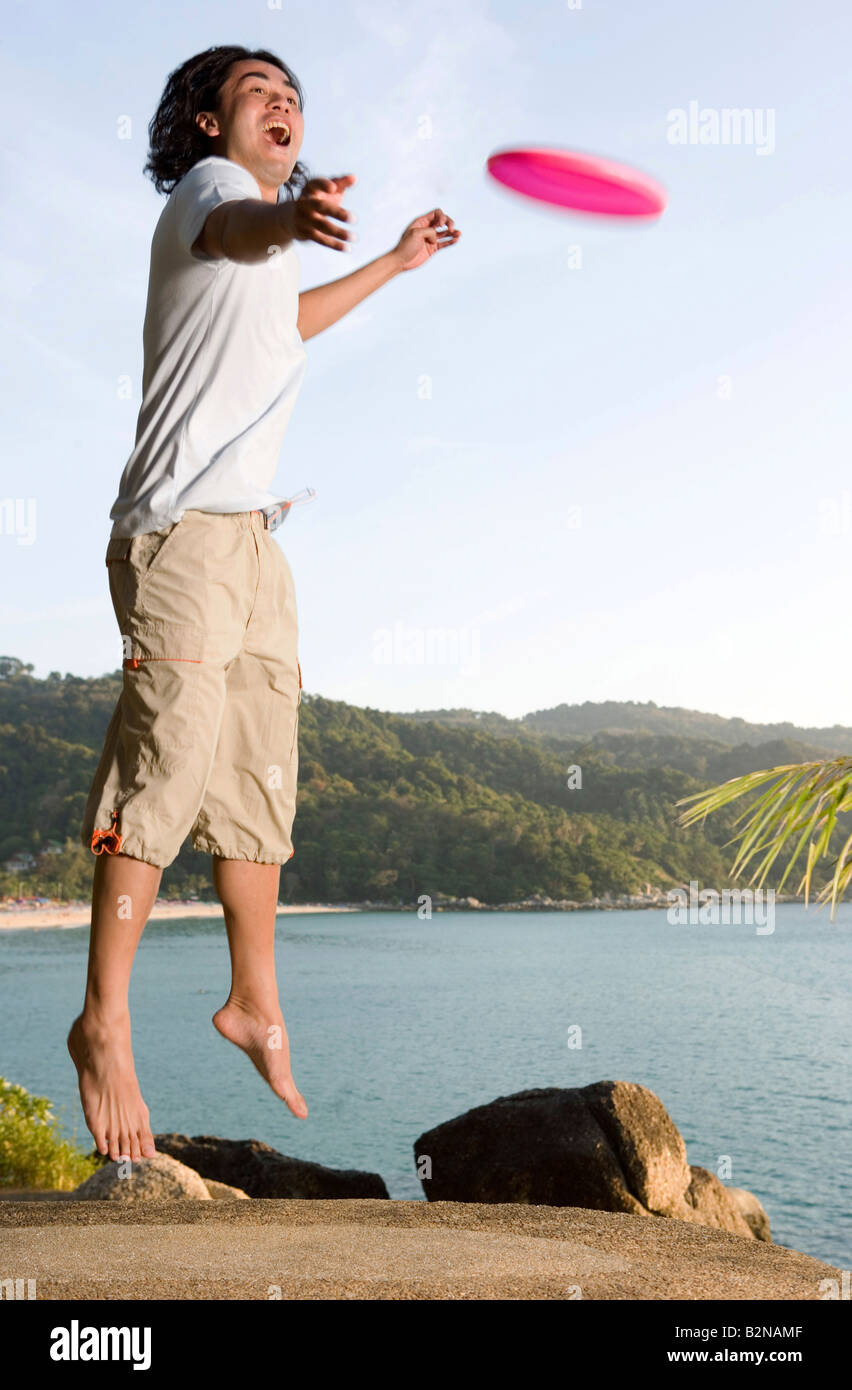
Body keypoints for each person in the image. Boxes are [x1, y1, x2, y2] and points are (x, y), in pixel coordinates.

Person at [70, 44, 461, 1163]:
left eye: (294, 96)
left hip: (253, 542)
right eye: (258, 92)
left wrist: (389, 261)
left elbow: (286, 326)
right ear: (207, 122)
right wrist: (289, 221)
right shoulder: (215, 196)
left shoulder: (264, 256)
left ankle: (254, 1000)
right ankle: (104, 1020)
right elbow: (244, 231)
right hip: (180, 535)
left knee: (256, 776)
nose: (282, 105)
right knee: (166, 766)